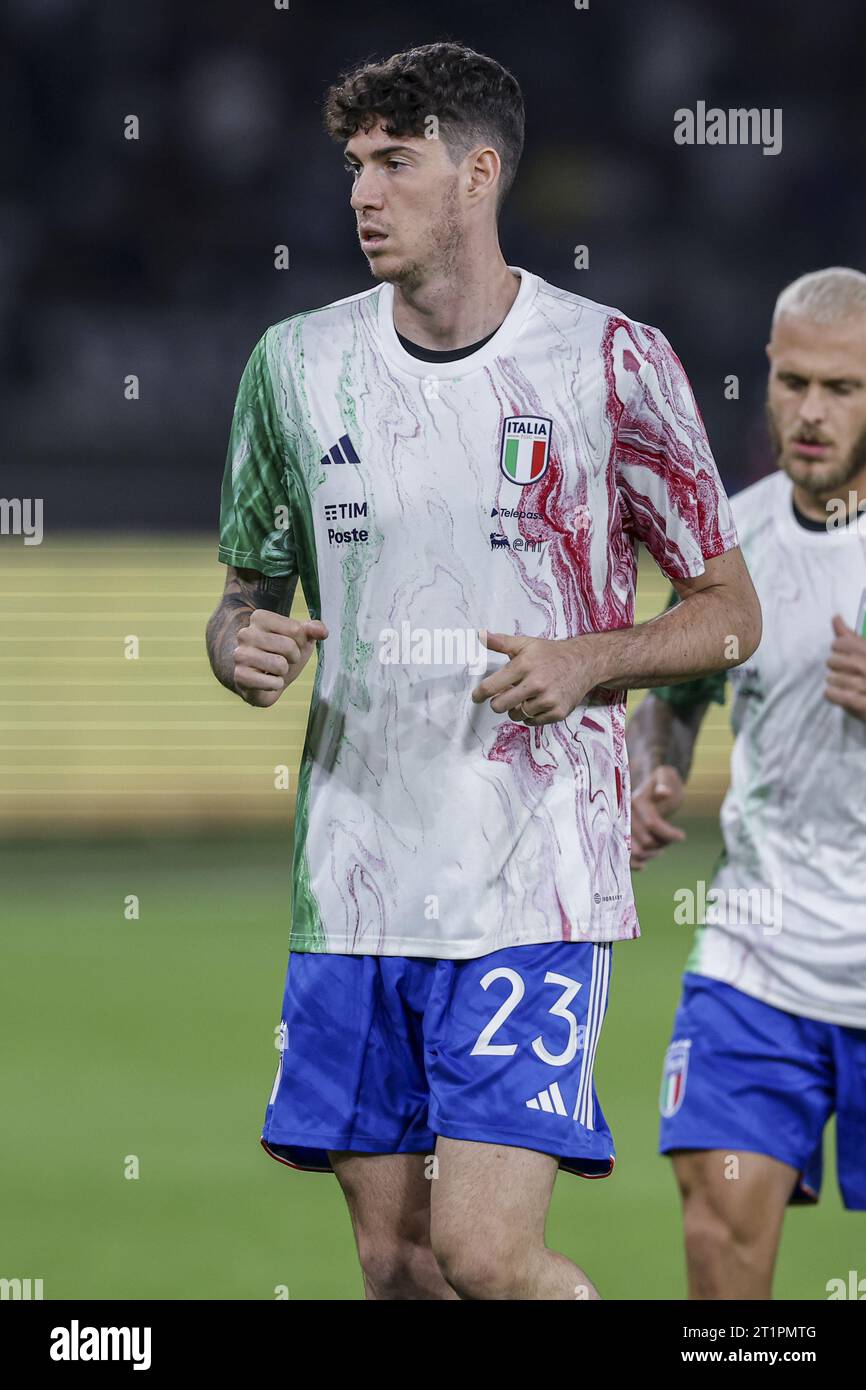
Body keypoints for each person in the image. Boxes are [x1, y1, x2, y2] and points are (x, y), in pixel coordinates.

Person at [206, 41, 759, 1300]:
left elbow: (730, 614)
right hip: (353, 885)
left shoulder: (608, 364)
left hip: (535, 876)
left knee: (484, 1253)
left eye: (394, 163)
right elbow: (246, 597)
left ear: (477, 173)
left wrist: (592, 661)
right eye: (353, 165)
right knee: (396, 1263)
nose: (361, 193)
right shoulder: (293, 367)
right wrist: (235, 645)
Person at [628, 266, 866, 1300]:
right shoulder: (730, 545)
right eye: (791, 382)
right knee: (717, 1242)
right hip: (754, 957)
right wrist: (656, 765)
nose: (808, 413)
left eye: (842, 389)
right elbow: (675, 694)